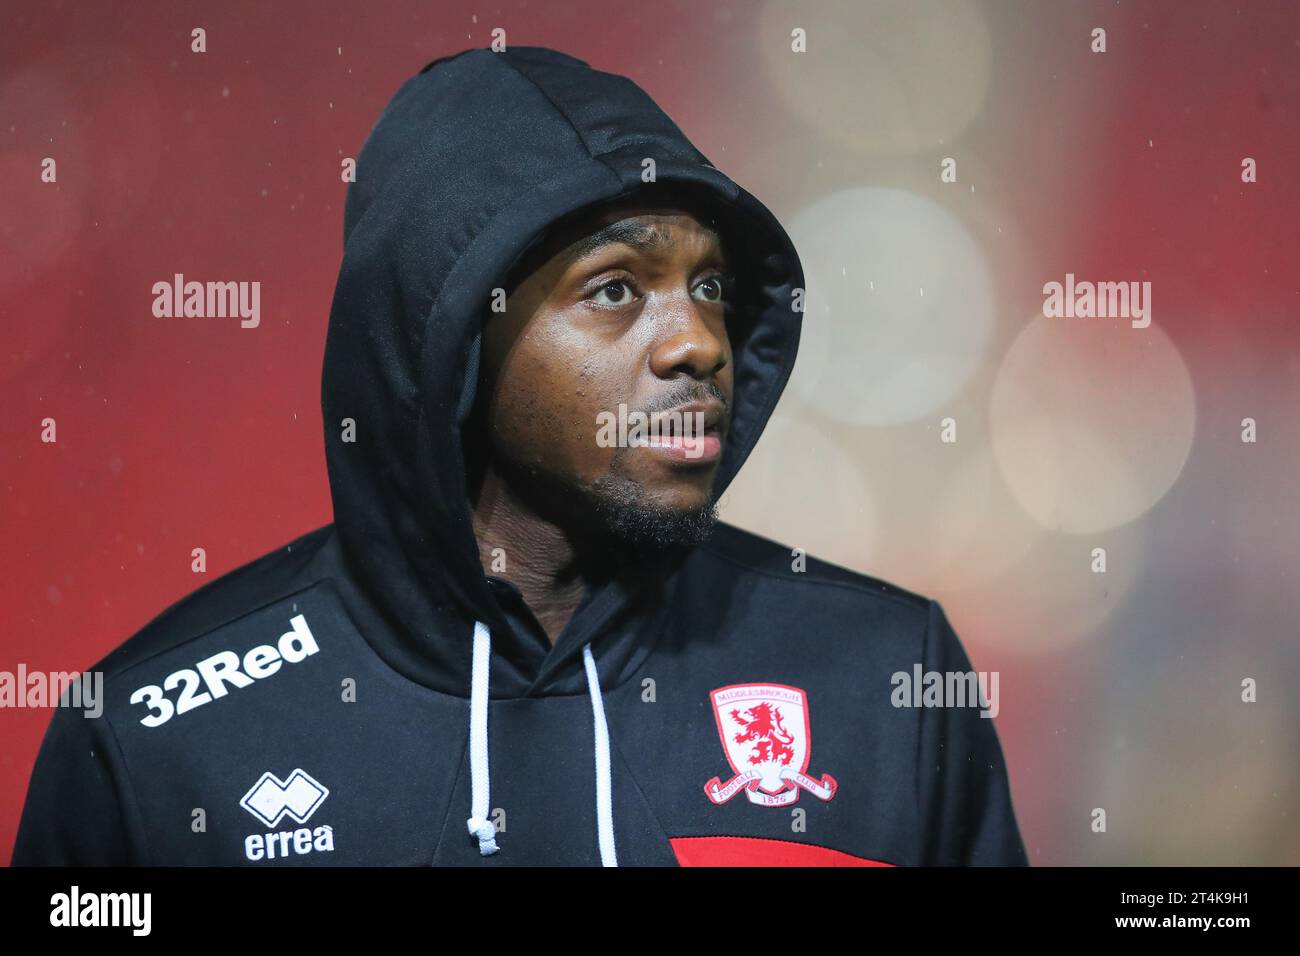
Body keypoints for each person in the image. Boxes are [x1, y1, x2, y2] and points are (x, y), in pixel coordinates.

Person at [12, 46, 1027, 866]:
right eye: (617, 288)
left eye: (709, 287)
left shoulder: (886, 672)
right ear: (447, 344)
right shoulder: (156, 731)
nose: (699, 343)